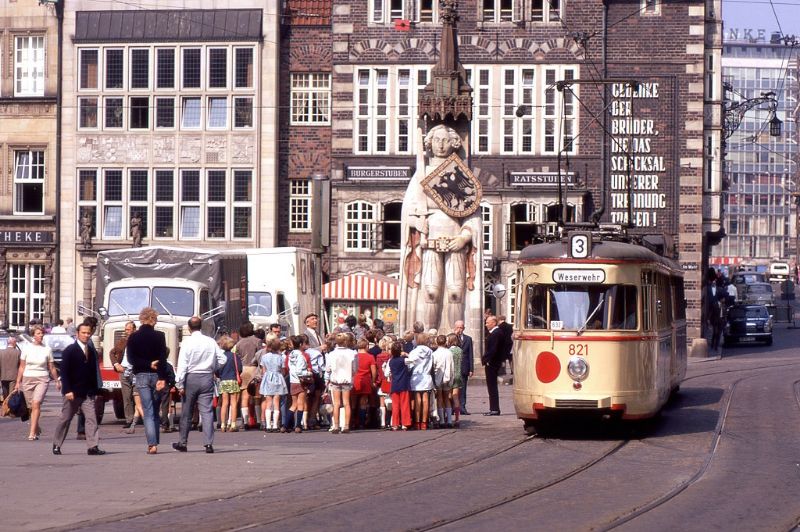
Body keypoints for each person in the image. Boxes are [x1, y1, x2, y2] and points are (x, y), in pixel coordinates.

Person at [399, 124, 482, 334]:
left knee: (455, 293)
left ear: (454, 143)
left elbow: (472, 213)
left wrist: (464, 237)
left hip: (455, 240)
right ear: (430, 143)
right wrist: (416, 222)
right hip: (430, 241)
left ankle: (456, 334)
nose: (441, 145)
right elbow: (408, 210)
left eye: (445, 140)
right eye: (437, 140)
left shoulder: (460, 175)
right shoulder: (422, 175)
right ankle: (430, 334)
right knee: (431, 293)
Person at [172, 316, 226, 453]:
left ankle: (183, 442)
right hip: (207, 377)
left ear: (189, 328)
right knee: (207, 412)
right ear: (201, 326)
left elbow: (183, 364)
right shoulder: (210, 341)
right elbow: (223, 358)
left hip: (191, 377)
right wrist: (213, 367)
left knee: (187, 412)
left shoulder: (187, 343)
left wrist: (180, 383)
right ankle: (208, 443)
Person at [52, 323, 105, 456]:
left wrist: (95, 390)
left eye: (88, 333)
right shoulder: (70, 350)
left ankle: (93, 446)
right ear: (77, 333)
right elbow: (64, 372)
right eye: (83, 333)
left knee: (91, 418)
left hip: (87, 393)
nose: (86, 335)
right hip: (73, 392)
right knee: (66, 418)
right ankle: (57, 444)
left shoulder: (91, 351)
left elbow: (93, 372)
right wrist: (67, 390)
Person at [126, 307, 168, 454]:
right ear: (153, 319)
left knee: (148, 409)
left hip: (141, 375)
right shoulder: (160, 336)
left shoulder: (133, 337)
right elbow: (163, 359)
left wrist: (146, 364)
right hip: (157, 376)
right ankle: (155, 440)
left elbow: (131, 359)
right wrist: (162, 378)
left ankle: (152, 444)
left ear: (141, 319)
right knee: (155, 409)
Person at [16, 325, 59, 441]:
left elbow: (52, 367)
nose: (41, 335)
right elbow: (21, 366)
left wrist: (57, 381)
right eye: (38, 333)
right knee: (31, 407)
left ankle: (31, 433)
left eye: (42, 333)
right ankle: (36, 426)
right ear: (33, 335)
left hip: (42, 378)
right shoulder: (26, 348)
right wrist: (17, 382)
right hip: (27, 378)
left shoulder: (47, 349)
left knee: (36, 403)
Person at [110, 321, 140, 433]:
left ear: (134, 329)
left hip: (136, 371)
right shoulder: (122, 342)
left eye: (128, 329)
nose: (126, 331)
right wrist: (116, 364)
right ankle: (129, 419)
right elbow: (112, 353)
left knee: (138, 396)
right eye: (126, 329)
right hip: (124, 371)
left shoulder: (139, 341)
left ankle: (138, 419)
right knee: (126, 397)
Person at [325, 332, 357, 434]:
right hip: (346, 379)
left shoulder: (331, 354)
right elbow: (355, 368)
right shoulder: (352, 353)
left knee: (336, 403)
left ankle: (336, 425)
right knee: (347, 403)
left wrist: (327, 378)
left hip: (335, 379)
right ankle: (346, 425)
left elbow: (328, 368)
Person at [236, 322, 263, 430]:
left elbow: (237, 358)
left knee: (244, 396)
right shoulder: (257, 341)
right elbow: (260, 356)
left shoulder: (239, 343)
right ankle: (259, 420)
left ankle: (245, 421)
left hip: (244, 369)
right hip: (255, 369)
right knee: (257, 396)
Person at [405, 332, 434, 430]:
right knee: (426, 399)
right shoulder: (430, 351)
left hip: (417, 376)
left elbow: (410, 364)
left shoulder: (414, 351)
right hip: (426, 376)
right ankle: (424, 422)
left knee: (418, 399)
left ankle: (417, 421)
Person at [259, 338, 288, 432]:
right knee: (276, 403)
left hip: (268, 378)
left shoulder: (264, 357)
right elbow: (283, 370)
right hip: (278, 378)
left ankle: (268, 425)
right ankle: (275, 425)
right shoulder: (280, 357)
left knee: (268, 402)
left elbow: (263, 370)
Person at [216, 335, 242, 433]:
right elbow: (239, 369)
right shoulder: (235, 356)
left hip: (223, 381)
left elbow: (217, 371)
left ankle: (223, 424)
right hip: (233, 380)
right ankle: (233, 424)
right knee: (233, 403)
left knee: (224, 403)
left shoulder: (221, 357)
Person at [351, 338, 377, 430]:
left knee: (353, 402)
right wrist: (373, 381)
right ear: (366, 346)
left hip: (355, 379)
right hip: (366, 379)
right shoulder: (370, 357)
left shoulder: (354, 356)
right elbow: (374, 371)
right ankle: (361, 423)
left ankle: (353, 421)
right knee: (363, 402)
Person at [388, 340, 411, 430]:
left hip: (394, 384)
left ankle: (395, 424)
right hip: (403, 384)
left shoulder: (391, 361)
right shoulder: (403, 360)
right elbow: (413, 360)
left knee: (395, 405)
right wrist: (406, 354)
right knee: (404, 404)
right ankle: (405, 423)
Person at [432, 334, 454, 428]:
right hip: (447, 377)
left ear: (437, 342)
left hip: (438, 378)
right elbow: (452, 367)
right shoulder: (449, 353)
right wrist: (451, 378)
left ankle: (441, 420)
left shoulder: (434, 354)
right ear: (446, 342)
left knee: (439, 398)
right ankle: (449, 420)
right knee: (447, 398)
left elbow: (433, 367)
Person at [482, 315, 503, 416]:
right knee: (491, 386)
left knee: (492, 386)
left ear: (494, 323)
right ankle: (493, 408)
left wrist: (486, 359)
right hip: (493, 362)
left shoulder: (496, 333)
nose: (486, 325)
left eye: (487, 323)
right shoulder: (494, 333)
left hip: (492, 363)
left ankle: (494, 409)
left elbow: (493, 349)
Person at [453, 320, 473, 415]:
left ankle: (462, 407)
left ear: (464, 328)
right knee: (454, 388)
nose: (459, 330)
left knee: (463, 388)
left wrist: (471, 369)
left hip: (464, 366)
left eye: (461, 328)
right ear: (454, 328)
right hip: (453, 367)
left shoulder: (468, 339)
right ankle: (454, 408)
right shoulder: (451, 337)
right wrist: (455, 336)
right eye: (457, 327)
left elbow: (470, 354)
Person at [446, 333, 464, 427]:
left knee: (449, 397)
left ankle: (448, 417)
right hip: (458, 374)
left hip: (450, 375)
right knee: (456, 397)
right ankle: (457, 418)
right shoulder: (460, 350)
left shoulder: (449, 351)